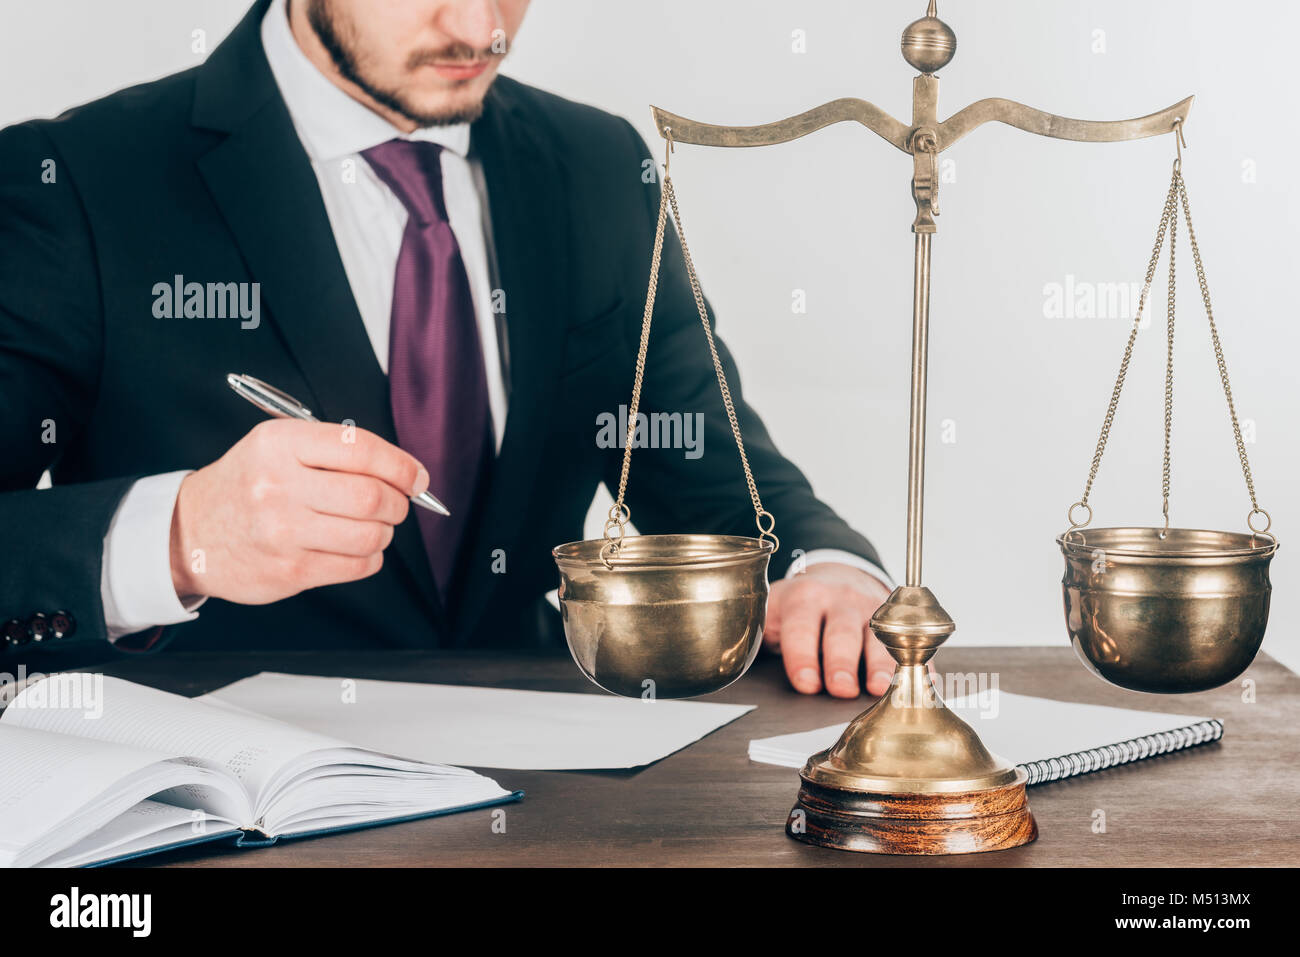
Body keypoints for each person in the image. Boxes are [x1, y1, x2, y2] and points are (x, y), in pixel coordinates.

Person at [0, 0, 899, 697]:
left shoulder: (594, 166)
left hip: (550, 797)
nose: (480, 29)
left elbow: (711, 470)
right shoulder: (77, 180)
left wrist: (826, 570)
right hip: (215, 803)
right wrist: (183, 538)